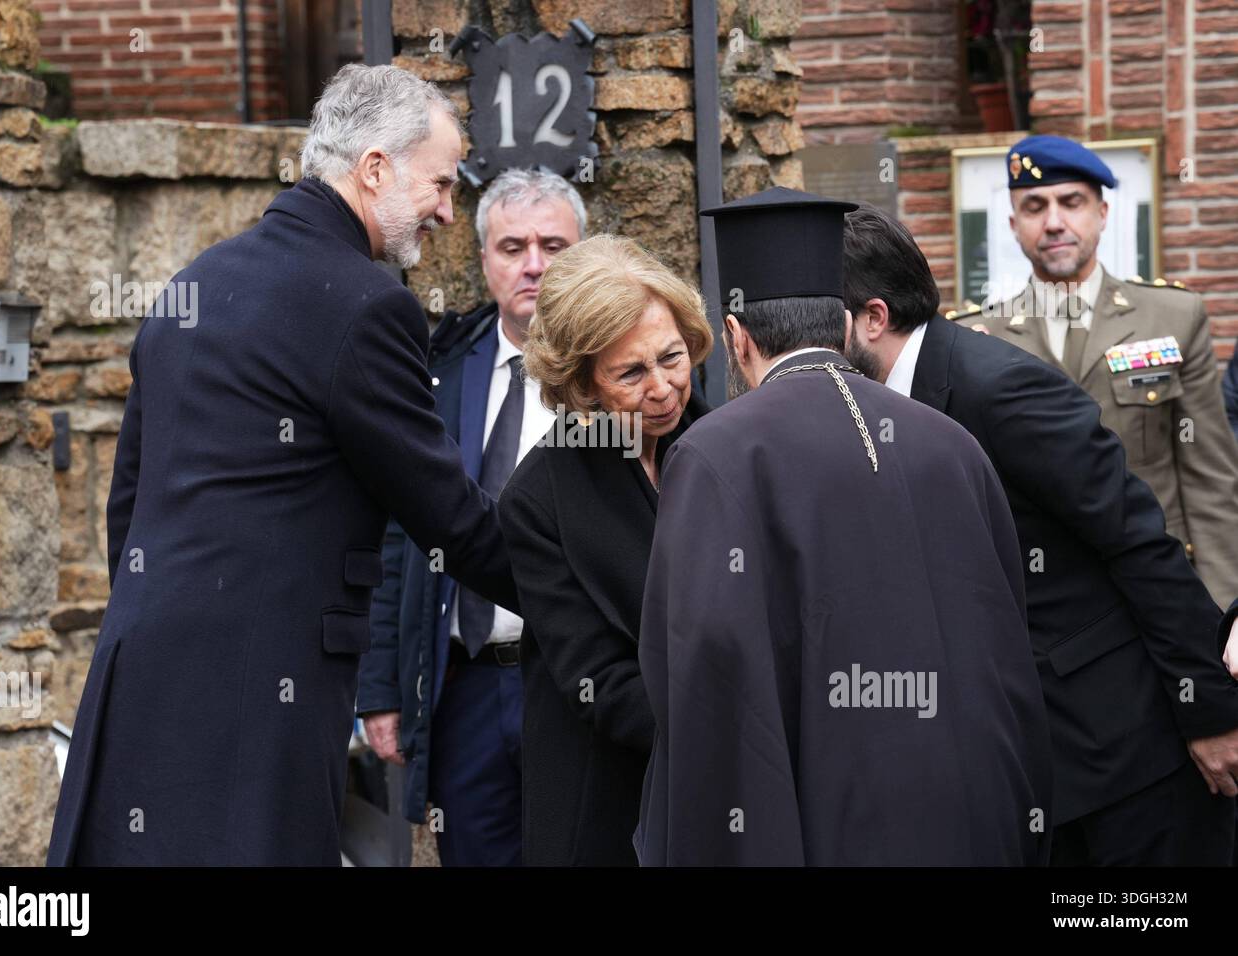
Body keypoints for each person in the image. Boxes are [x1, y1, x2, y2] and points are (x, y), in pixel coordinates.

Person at [47, 64, 518, 866]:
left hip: (142, 670)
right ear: (374, 170)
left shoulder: (191, 285)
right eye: (441, 184)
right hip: (255, 695)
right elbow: (452, 518)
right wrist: (605, 591)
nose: (448, 210)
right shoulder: (367, 307)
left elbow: (129, 506)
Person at [634, 188, 1051, 866]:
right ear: (845, 324)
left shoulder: (715, 454)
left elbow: (699, 665)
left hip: (819, 824)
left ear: (738, 339)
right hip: (977, 816)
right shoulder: (952, 443)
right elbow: (1007, 641)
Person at [843, 202, 1238, 865]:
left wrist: (1213, 714)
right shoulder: (884, 402)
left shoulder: (995, 389)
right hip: (1036, 756)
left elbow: (1136, 540)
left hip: (1128, 753)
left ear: (873, 318)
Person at [355, 168, 585, 865]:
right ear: (484, 259)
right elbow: (396, 534)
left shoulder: (616, 371)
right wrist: (382, 691)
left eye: (554, 245)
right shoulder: (439, 368)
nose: (535, 265)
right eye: (512, 247)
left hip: (576, 684)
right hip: (466, 688)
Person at [497, 235, 711, 865]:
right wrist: (724, 735)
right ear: (583, 385)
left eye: (671, 357)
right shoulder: (538, 500)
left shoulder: (721, 443)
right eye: (631, 373)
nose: (664, 387)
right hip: (610, 798)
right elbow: (599, 680)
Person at [964, 134, 1238, 608]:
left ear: (1102, 213)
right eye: (1034, 207)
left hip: (1161, 584)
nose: (1054, 223)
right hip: (1039, 604)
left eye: (1071, 202)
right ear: (1013, 223)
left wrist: (1225, 610)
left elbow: (1209, 478)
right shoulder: (976, 338)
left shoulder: (1173, 316)